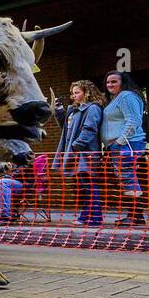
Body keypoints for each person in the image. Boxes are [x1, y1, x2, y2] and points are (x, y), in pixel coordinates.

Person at [53, 80, 105, 227]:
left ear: (86, 93)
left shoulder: (93, 108)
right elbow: (65, 126)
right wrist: (58, 109)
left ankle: (95, 218)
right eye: (72, 93)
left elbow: (89, 129)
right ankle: (86, 216)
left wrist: (76, 146)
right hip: (77, 153)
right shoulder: (74, 109)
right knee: (84, 185)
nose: (73, 96)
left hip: (86, 153)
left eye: (77, 92)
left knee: (89, 184)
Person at [102, 70, 147, 227]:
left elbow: (134, 120)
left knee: (128, 177)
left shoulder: (126, 96)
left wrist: (120, 141)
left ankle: (136, 216)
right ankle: (134, 215)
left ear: (123, 82)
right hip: (119, 146)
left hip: (128, 144)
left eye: (114, 81)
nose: (110, 85)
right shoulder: (117, 98)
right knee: (126, 178)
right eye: (108, 82)